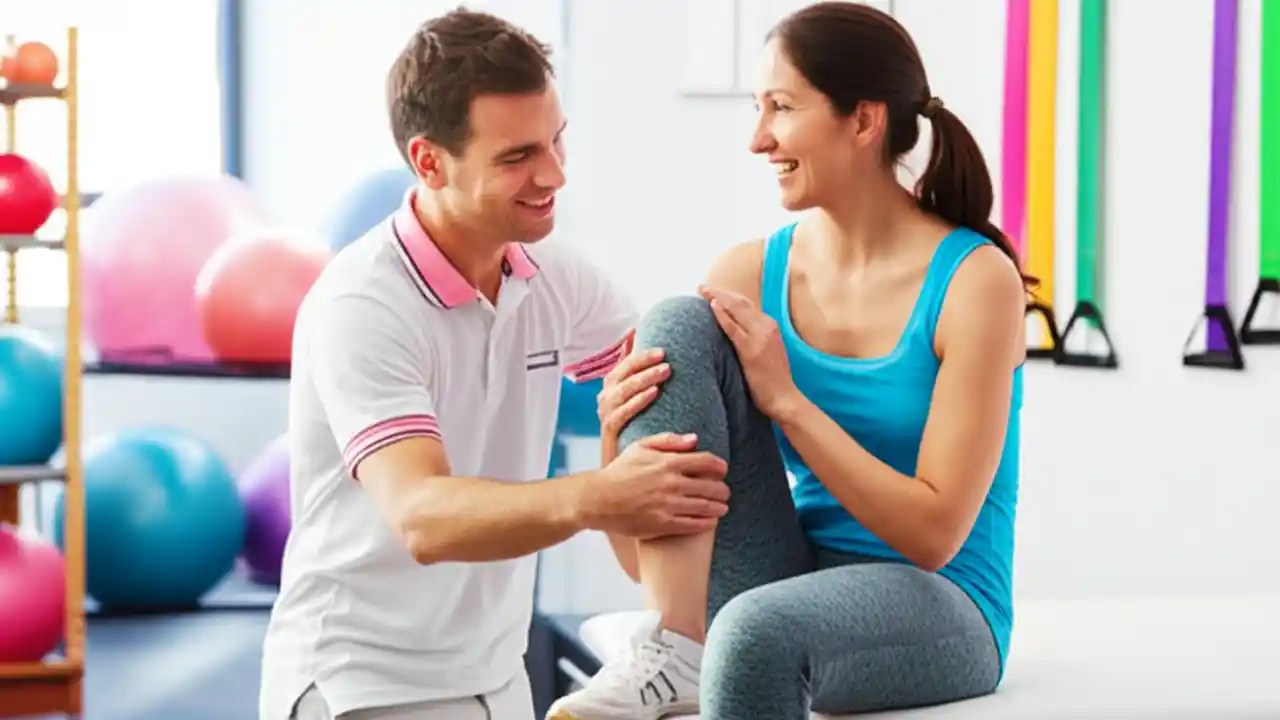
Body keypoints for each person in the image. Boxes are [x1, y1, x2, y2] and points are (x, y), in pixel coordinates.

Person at [545, 3, 1028, 719]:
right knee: (677, 318)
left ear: (862, 122)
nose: (758, 138)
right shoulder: (749, 275)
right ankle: (677, 651)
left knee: (750, 635)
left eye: (782, 107)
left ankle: (696, 647)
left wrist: (788, 403)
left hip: (941, 600)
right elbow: (645, 567)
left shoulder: (975, 281)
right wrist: (620, 447)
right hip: (784, 568)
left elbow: (933, 537)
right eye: (756, 107)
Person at [257, 9, 733, 720]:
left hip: (496, 677)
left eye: (556, 140)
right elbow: (423, 517)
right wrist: (599, 496)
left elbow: (665, 384)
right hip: (361, 685)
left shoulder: (554, 276)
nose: (554, 174)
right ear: (429, 161)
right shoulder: (361, 303)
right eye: (516, 158)